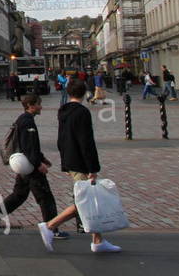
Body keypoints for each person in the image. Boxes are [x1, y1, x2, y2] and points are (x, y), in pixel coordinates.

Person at [37, 78, 120, 254]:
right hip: (80, 162)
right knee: (84, 201)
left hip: (70, 160)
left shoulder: (63, 111)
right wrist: (93, 167)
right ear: (84, 93)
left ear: (68, 92)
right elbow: (86, 142)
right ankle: (50, 226)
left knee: (88, 199)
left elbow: (61, 139)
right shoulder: (81, 112)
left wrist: (65, 161)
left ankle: (98, 241)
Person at [0, 93, 66, 239]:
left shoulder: (25, 119)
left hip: (25, 165)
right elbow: (28, 146)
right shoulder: (27, 122)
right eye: (38, 104)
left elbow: (31, 146)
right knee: (45, 197)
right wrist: (38, 164)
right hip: (30, 166)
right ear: (31, 106)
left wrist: (42, 158)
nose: (41, 107)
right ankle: (51, 228)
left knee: (19, 195)